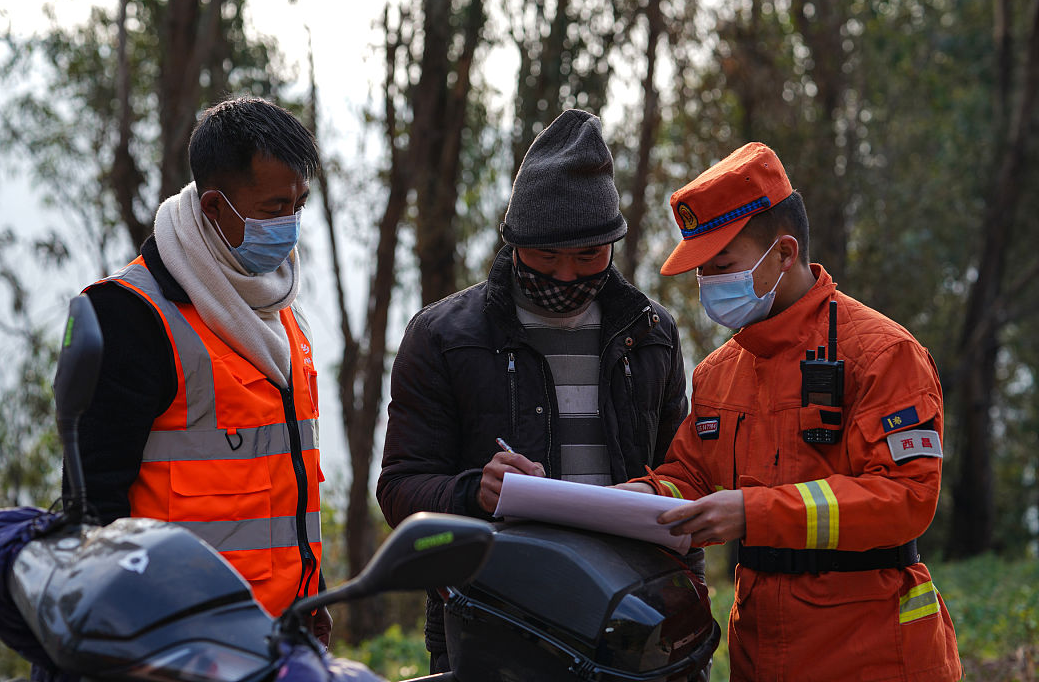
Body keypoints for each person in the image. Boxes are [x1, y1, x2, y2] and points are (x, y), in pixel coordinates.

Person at [619, 142, 961, 681]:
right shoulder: (718, 372)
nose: (709, 287)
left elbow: (906, 497)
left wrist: (755, 512)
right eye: (702, 272)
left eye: (722, 266)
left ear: (783, 253)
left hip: (874, 651)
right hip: (761, 649)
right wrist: (648, 497)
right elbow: (693, 476)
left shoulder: (882, 354)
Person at [377, 109, 691, 673]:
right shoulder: (444, 336)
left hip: (635, 631)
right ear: (515, 241)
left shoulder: (651, 334)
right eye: (547, 257)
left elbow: (686, 476)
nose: (567, 276)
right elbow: (400, 491)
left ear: (613, 244)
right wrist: (478, 491)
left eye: (588, 256)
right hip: (495, 634)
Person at [70, 97, 330, 643]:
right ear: (214, 207)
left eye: (299, 203)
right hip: (178, 640)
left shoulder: (280, 306)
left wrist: (313, 594)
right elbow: (94, 505)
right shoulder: (132, 316)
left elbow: (284, 481)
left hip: (280, 638)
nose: (290, 224)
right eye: (272, 206)